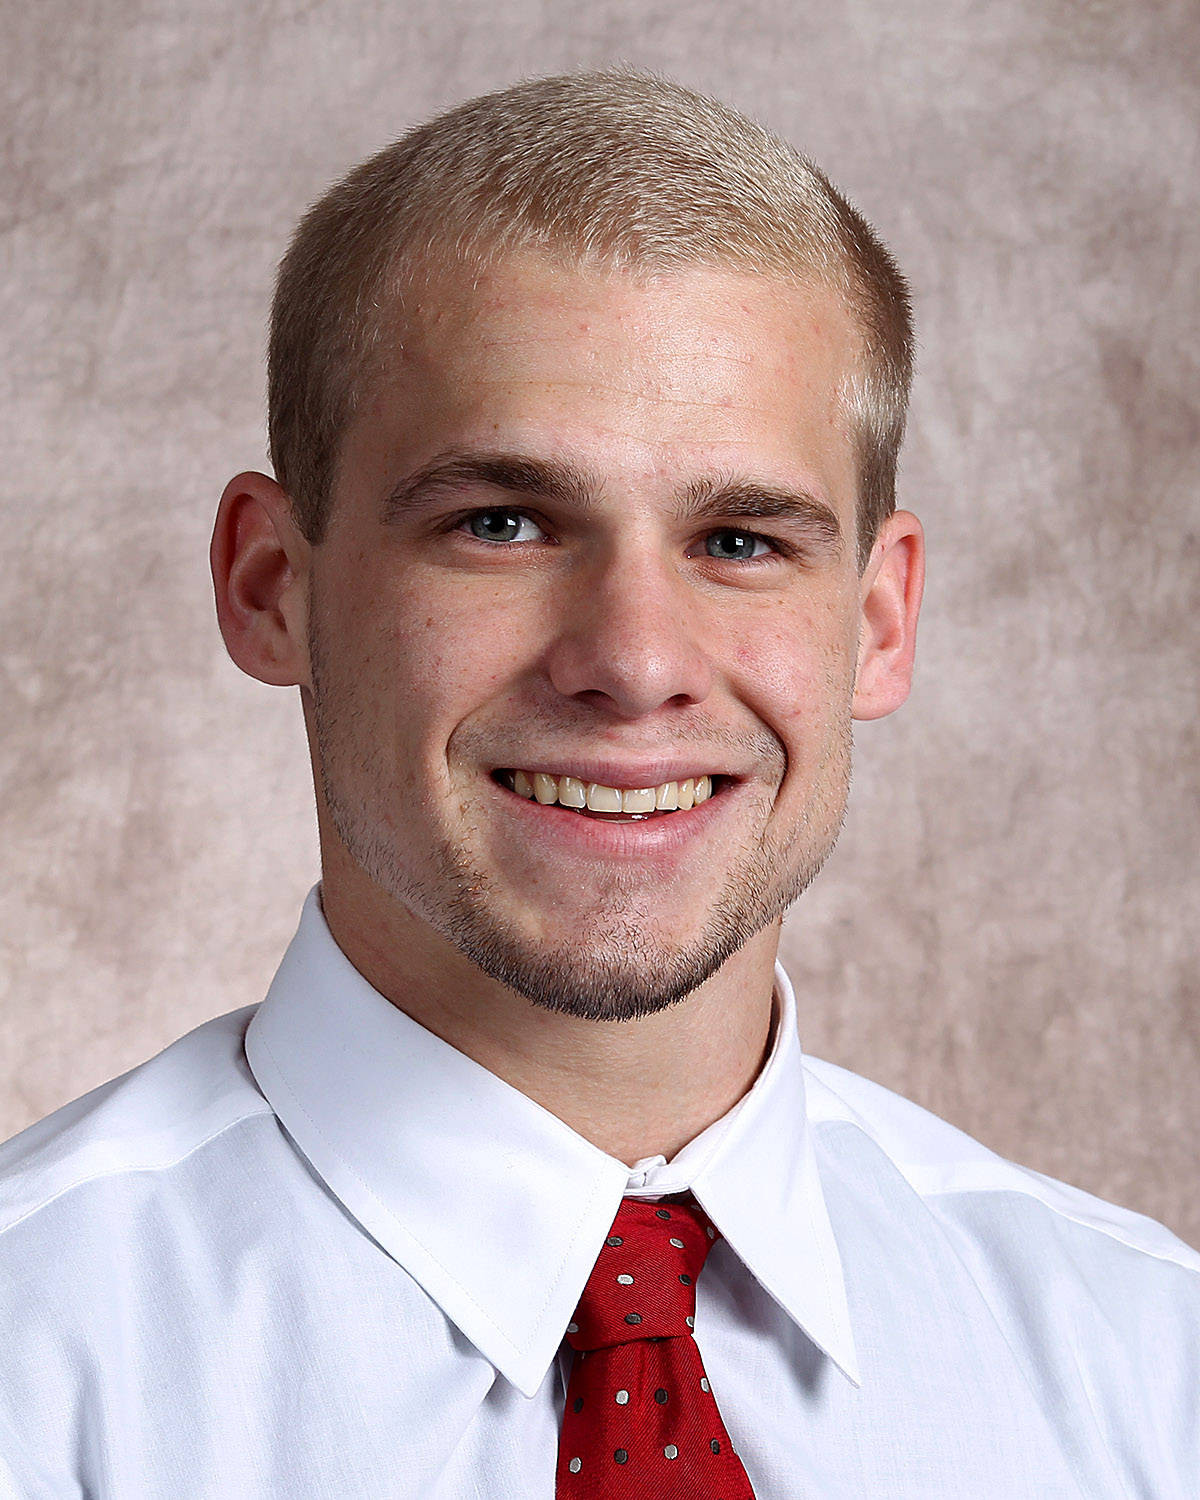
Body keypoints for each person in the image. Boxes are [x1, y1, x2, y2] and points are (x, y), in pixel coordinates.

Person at [1, 66, 1196, 1500]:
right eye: (502, 522)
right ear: (272, 587)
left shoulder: (1148, 1367)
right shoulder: (39, 1362)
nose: (634, 663)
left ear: (879, 622)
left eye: (744, 540)